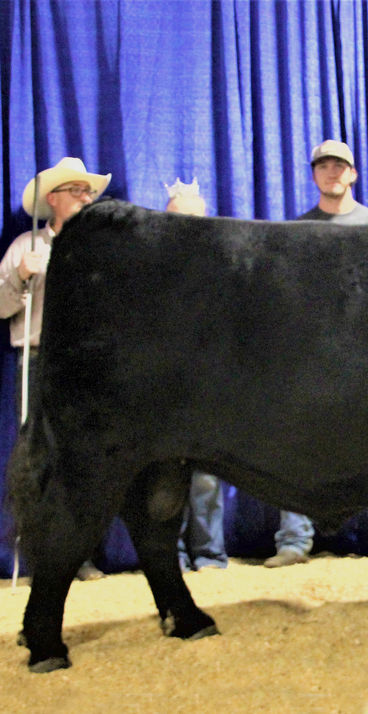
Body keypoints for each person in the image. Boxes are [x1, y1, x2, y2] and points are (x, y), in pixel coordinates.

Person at [264, 139, 368, 568]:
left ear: (353, 174)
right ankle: (293, 542)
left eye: (340, 166)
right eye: (324, 166)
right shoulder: (295, 233)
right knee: (298, 448)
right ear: (314, 175)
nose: (332, 172)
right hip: (313, 361)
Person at [0, 157, 111, 581]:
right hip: (40, 361)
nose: (85, 197)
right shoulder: (28, 247)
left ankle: (82, 556)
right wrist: (21, 275)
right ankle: (41, 554)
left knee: (85, 460)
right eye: (76, 190)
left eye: (88, 191)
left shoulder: (100, 249)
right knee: (40, 458)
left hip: (88, 364)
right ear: (53, 199)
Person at [164, 177, 227, 571]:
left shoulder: (221, 268)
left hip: (208, 385)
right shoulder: (153, 270)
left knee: (207, 476)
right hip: (168, 386)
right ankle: (172, 555)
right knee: (166, 476)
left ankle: (209, 553)